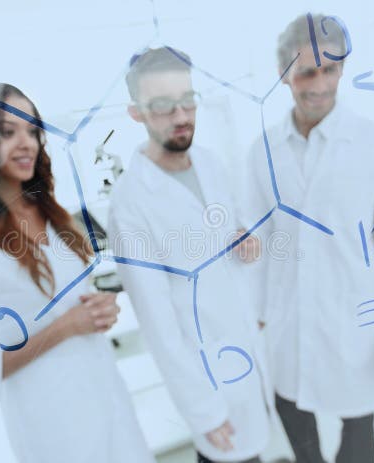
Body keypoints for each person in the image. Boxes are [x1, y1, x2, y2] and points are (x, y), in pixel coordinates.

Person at [0, 82, 154, 463]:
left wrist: (99, 310)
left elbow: (71, 305)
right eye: (7, 132)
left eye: (32, 130)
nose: (27, 142)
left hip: (112, 410)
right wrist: (64, 328)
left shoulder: (53, 216)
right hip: (55, 432)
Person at [242, 13, 374, 463]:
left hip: (356, 326)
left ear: (342, 69)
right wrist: (251, 317)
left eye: (330, 69)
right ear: (283, 74)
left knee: (357, 441)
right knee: (297, 427)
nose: (319, 84)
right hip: (287, 326)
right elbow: (257, 244)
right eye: (307, 71)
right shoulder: (263, 151)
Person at [108, 47, 273, 463]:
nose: (181, 116)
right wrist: (204, 411)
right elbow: (158, 325)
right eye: (163, 106)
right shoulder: (130, 204)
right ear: (136, 113)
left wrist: (243, 244)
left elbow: (230, 236)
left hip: (248, 353)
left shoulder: (210, 163)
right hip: (209, 382)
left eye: (188, 100)